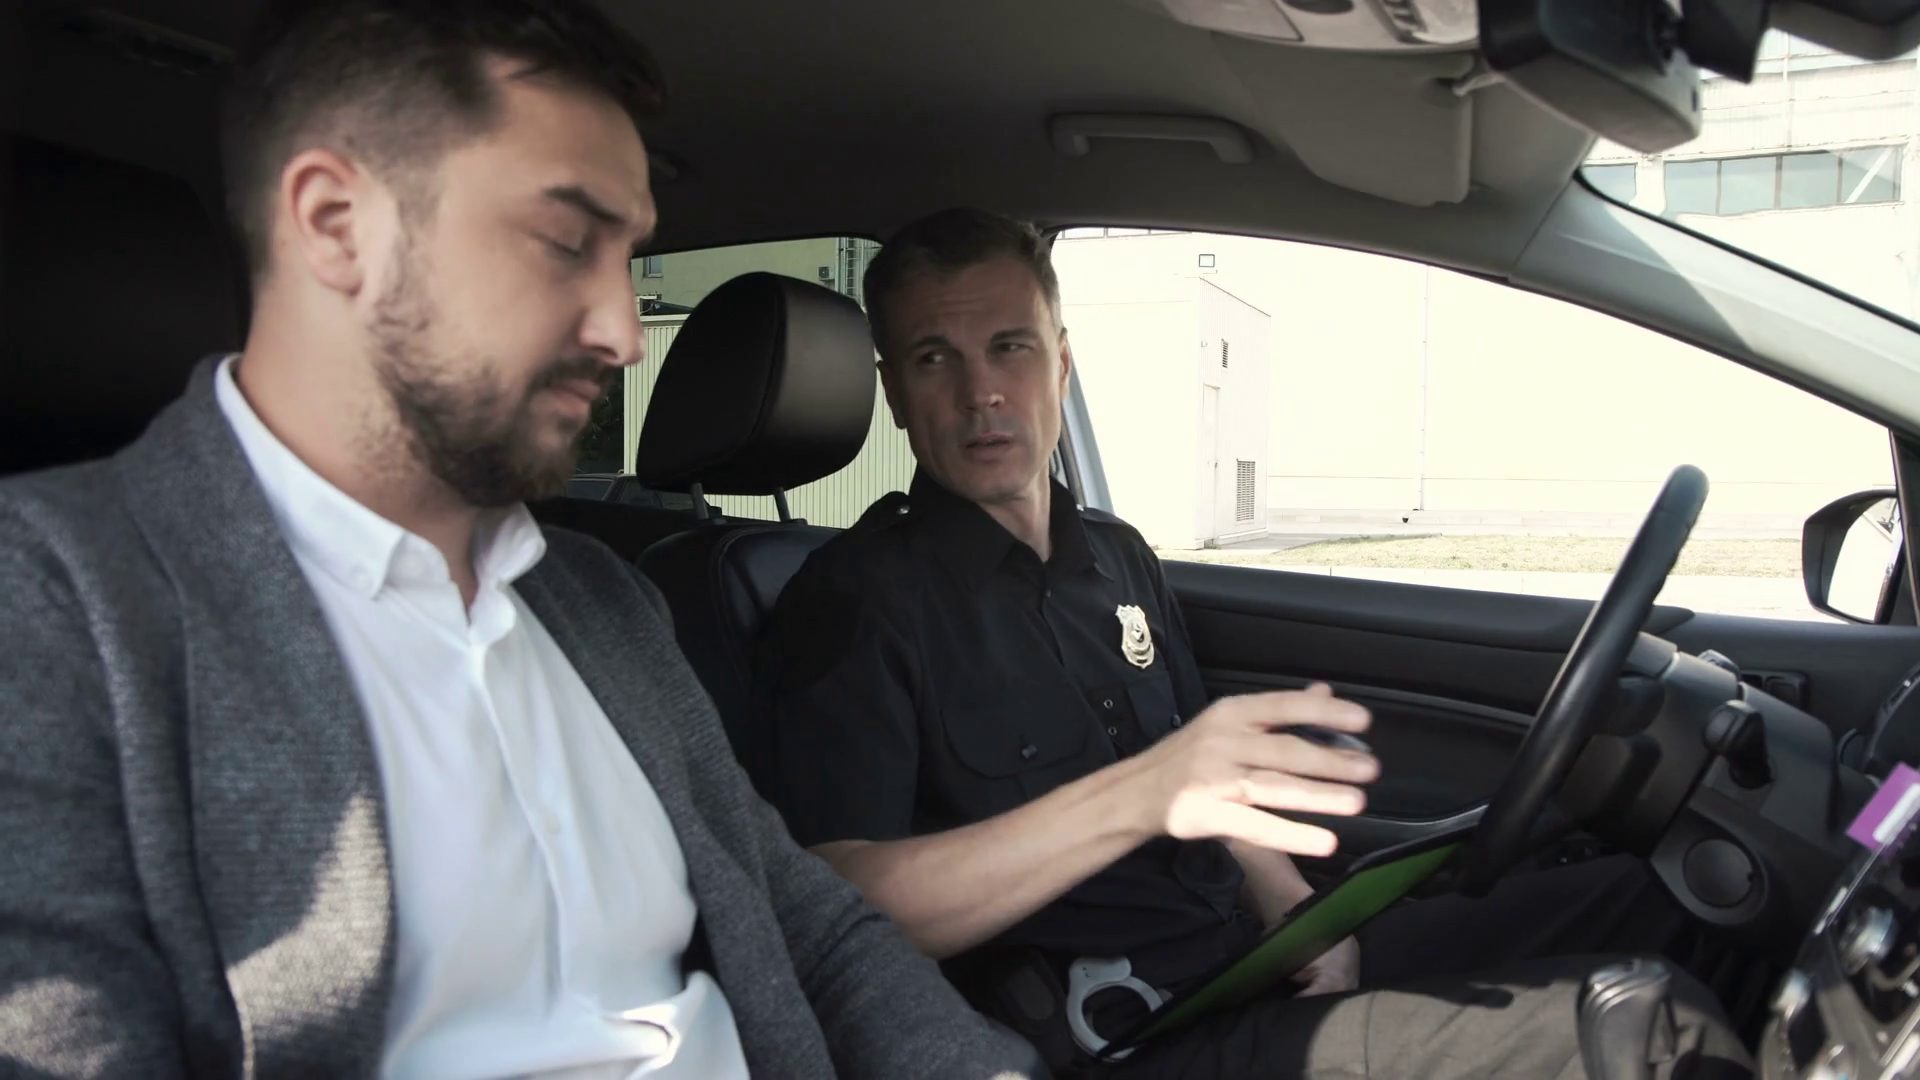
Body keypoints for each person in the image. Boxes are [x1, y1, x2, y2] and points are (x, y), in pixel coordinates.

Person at [0, 7, 1045, 1079]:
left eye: (627, 256)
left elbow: (809, 928)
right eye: (564, 243)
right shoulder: (53, 613)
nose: (625, 332)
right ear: (334, 224)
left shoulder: (598, 599)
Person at [751, 208, 1758, 1079]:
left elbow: (1215, 793)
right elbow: (841, 898)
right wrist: (1141, 795)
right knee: (1649, 1031)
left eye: (1011, 347)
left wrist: (1299, 915)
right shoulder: (860, 600)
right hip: (1126, 1036)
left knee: (1678, 904)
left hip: (1244, 959)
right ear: (895, 391)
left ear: (1061, 361)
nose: (982, 396)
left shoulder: (1119, 557)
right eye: (937, 360)